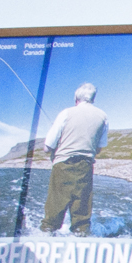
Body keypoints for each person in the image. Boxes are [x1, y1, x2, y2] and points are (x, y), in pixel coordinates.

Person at [40, 83, 109, 235]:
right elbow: (99, 148)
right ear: (93, 99)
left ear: (76, 98)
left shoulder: (66, 113)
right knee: (82, 209)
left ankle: (47, 233)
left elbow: (47, 147)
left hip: (63, 165)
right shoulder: (103, 117)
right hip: (86, 166)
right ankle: (81, 233)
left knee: (55, 207)